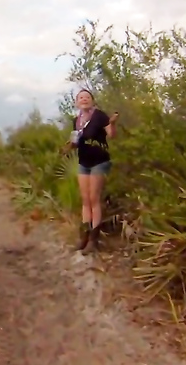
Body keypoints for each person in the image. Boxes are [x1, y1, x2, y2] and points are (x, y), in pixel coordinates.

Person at [65, 89, 118, 254]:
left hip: (99, 162)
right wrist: (68, 147)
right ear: (77, 102)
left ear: (92, 100)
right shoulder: (77, 121)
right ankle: (85, 237)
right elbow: (76, 141)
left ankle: (94, 241)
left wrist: (113, 123)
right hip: (83, 162)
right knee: (85, 200)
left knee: (94, 199)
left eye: (87, 97)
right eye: (81, 97)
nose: (84, 99)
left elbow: (112, 135)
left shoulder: (100, 115)